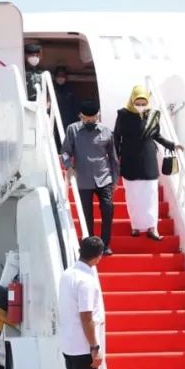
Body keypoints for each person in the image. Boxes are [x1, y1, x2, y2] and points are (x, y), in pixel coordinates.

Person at [57, 236, 109, 369]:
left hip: (69, 342)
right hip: (82, 344)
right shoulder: (86, 280)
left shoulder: (68, 274)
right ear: (98, 256)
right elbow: (86, 316)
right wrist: (94, 346)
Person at [113, 86, 182, 241]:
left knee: (150, 194)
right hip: (130, 158)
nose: (141, 105)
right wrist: (116, 156)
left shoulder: (153, 115)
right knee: (133, 195)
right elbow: (117, 136)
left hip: (148, 158)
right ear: (132, 100)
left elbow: (156, 135)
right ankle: (136, 226)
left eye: (144, 102)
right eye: (138, 102)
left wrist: (172, 145)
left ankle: (152, 227)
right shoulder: (123, 115)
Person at [63, 100, 118, 255]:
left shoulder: (106, 131)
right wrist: (68, 167)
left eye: (93, 118)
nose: (90, 121)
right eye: (87, 119)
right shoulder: (72, 130)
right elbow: (66, 152)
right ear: (81, 116)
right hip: (83, 178)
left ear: (97, 115)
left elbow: (113, 157)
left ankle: (105, 245)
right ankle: (90, 245)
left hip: (104, 177)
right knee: (87, 214)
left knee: (108, 209)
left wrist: (114, 178)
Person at [52, 66, 78, 133]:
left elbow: (75, 106)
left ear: (66, 77)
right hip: (55, 122)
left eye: (62, 75)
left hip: (68, 122)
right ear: (55, 77)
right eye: (59, 75)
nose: (60, 77)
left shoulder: (71, 90)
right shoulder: (51, 89)